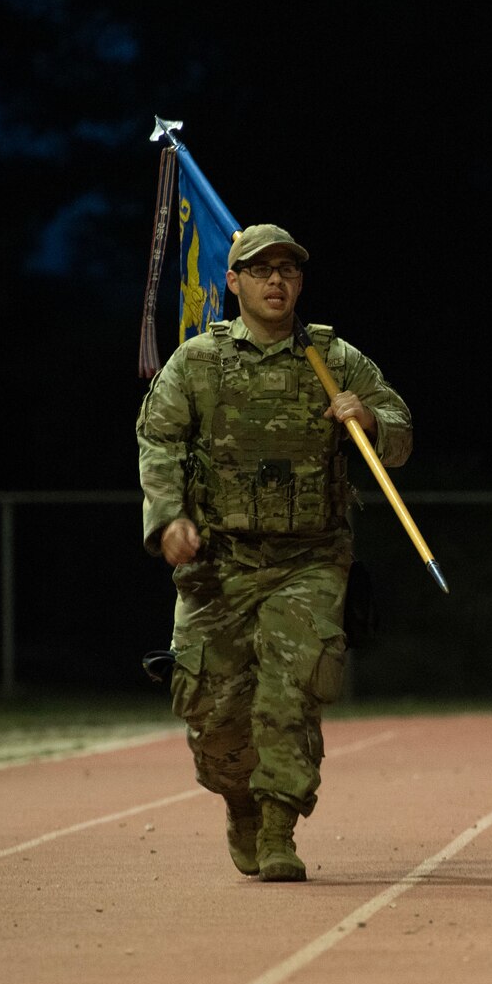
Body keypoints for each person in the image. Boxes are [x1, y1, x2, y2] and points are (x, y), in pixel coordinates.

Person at [136, 223, 413, 883]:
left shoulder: (331, 359)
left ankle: (281, 823)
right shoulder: (198, 362)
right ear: (232, 282)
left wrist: (369, 418)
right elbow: (159, 443)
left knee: (291, 696)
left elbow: (399, 430)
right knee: (217, 716)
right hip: (218, 568)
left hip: (309, 560)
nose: (276, 282)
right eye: (261, 271)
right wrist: (168, 518)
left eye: (287, 270)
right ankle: (241, 803)